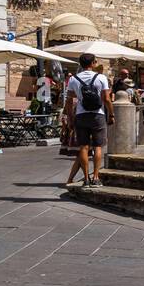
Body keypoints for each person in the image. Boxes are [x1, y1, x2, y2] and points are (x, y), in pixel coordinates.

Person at [64, 52, 113, 187]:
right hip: (98, 115)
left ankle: (85, 178)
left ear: (80, 64)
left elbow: (69, 100)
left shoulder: (73, 79)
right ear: (93, 63)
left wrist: (70, 117)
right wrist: (112, 114)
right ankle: (96, 178)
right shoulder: (101, 77)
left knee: (83, 147)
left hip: (81, 114)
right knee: (98, 147)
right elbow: (107, 99)